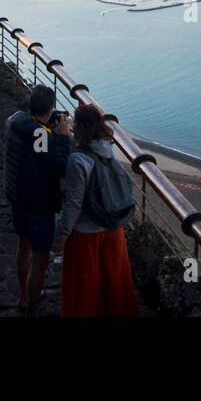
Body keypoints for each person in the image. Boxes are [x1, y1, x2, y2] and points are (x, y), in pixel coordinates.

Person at [52, 103, 140, 317]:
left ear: (79, 127)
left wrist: (61, 235)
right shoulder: (108, 148)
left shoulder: (77, 160)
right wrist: (66, 139)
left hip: (85, 232)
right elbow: (86, 146)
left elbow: (74, 202)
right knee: (114, 284)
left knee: (85, 288)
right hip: (111, 226)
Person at [2, 86, 71, 316]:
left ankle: (23, 296)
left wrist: (48, 124)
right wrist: (62, 138)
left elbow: (36, 145)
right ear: (50, 108)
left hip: (17, 197)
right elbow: (58, 166)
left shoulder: (16, 120)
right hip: (38, 205)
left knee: (23, 245)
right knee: (40, 259)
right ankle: (31, 310)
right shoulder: (40, 135)